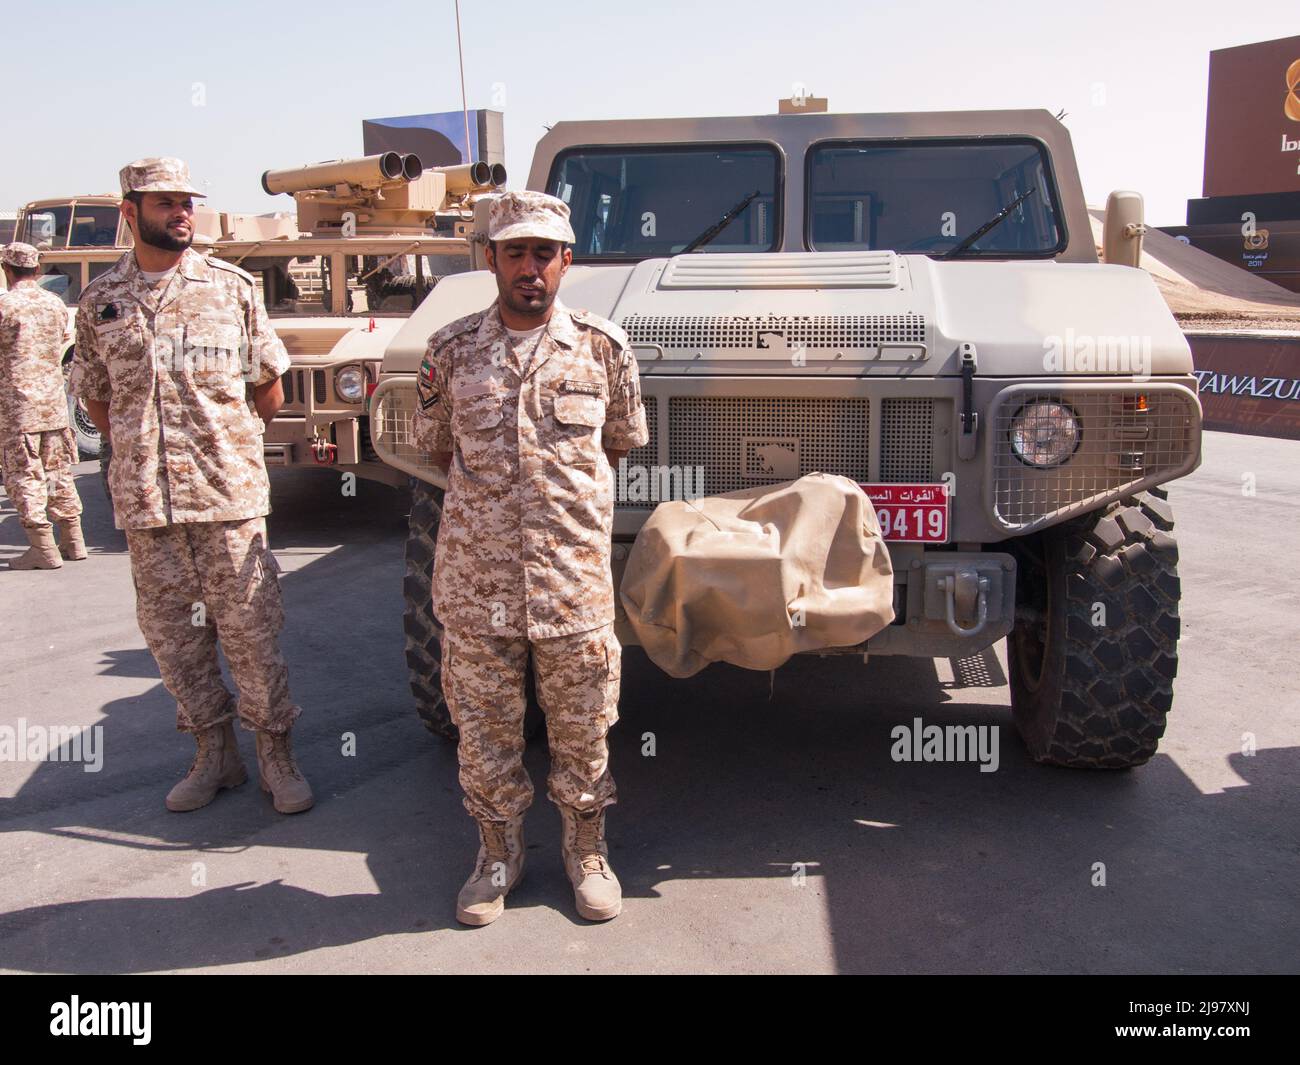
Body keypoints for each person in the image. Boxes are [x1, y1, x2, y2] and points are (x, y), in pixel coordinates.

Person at [413, 190, 648, 925]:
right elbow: (440, 452)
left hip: (572, 585)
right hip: (476, 586)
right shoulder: (450, 352)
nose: (528, 267)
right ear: (491, 259)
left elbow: (616, 447)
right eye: (514, 251)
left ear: (566, 260)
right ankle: (496, 854)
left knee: (583, 732)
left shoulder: (604, 347)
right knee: (485, 734)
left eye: (543, 252)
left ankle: (587, 853)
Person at [70, 157, 313, 814]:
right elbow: (98, 402)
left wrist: (219, 445)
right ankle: (214, 753)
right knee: (176, 638)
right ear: (132, 212)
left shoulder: (230, 288)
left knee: (252, 634)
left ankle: (275, 755)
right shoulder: (99, 303)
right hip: (149, 504)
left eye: (187, 202)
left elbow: (268, 387)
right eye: (165, 203)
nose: (181, 213)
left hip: (227, 497)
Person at [0, 242, 86, 570]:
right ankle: (73, 540)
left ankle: (43, 549)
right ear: (37, 270)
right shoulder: (54, 304)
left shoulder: (6, 305)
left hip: (17, 407)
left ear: (7, 269)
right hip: (53, 403)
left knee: (24, 475)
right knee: (58, 472)